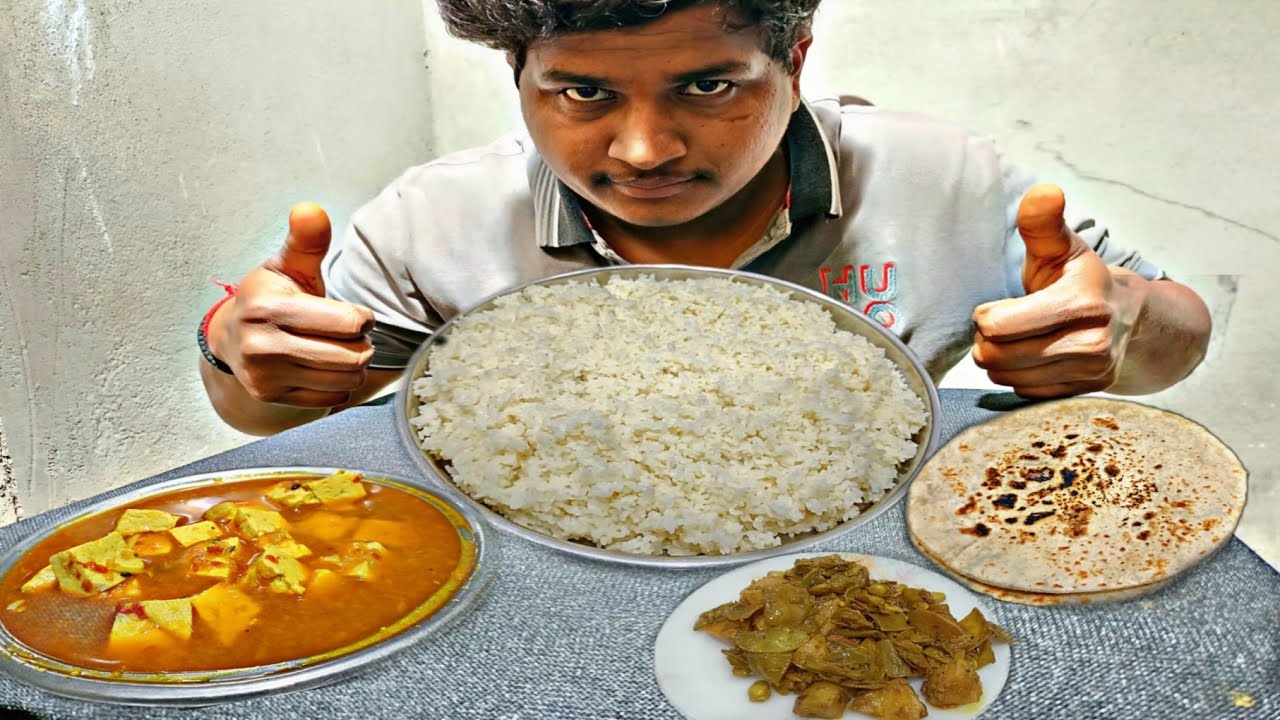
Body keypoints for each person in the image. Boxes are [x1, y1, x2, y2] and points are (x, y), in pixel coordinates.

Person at [198, 0, 1211, 436]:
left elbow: (1172, 340)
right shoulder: (432, 219)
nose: (643, 150)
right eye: (582, 95)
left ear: (796, 62)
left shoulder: (940, 175)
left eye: (707, 86)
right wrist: (236, 357)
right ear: (518, 77)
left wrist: (1120, 322)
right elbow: (269, 406)